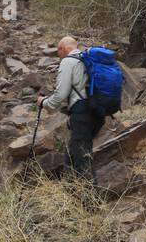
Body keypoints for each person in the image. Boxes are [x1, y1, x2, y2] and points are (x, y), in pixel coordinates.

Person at [39, 36, 101, 177]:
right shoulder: (88, 59)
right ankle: (72, 192)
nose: (58, 55)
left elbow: (60, 94)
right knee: (73, 154)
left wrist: (44, 103)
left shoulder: (68, 62)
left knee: (82, 159)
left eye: (58, 51)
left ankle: (89, 197)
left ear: (65, 48)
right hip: (97, 112)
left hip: (82, 112)